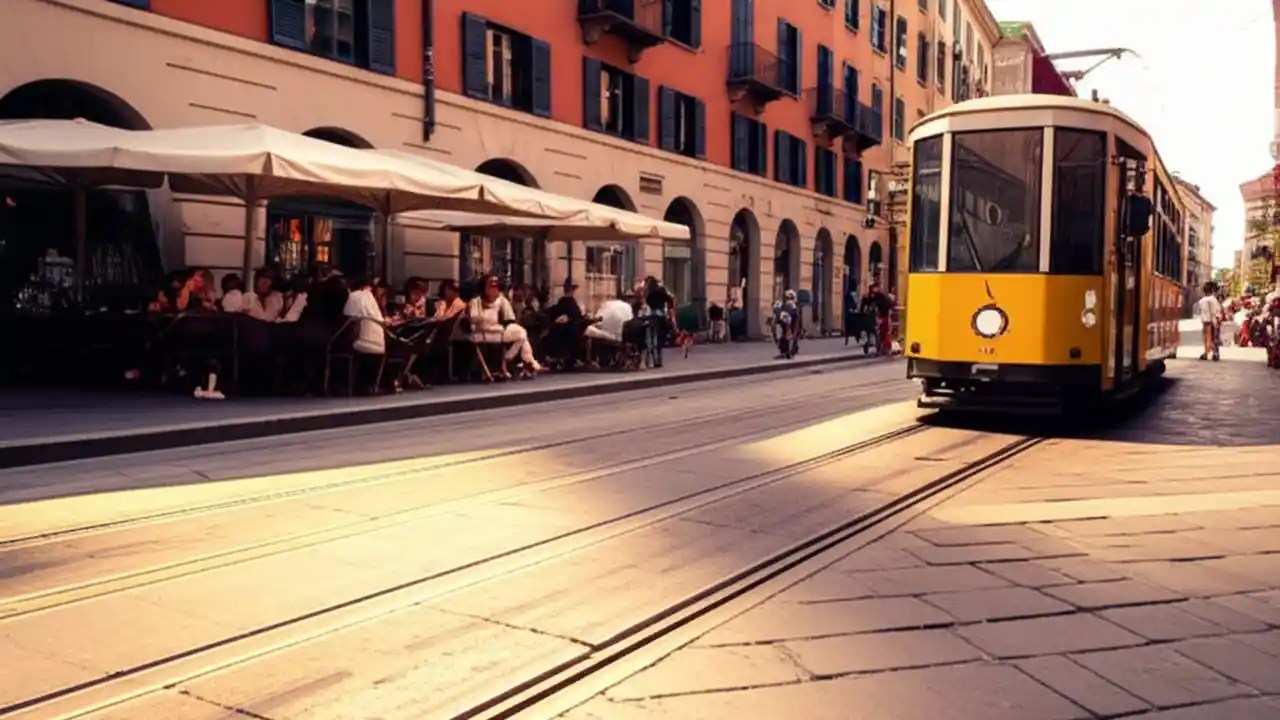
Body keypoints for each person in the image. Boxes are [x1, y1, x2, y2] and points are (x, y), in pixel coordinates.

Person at [467, 274, 543, 378]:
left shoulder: (501, 299)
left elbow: (509, 317)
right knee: (522, 335)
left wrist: (504, 323)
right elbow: (474, 318)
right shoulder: (476, 301)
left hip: (499, 330)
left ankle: (512, 359)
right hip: (482, 333)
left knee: (522, 333)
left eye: (495, 284)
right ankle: (526, 363)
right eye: (490, 284)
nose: (494, 286)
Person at [641, 276, 676, 368]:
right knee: (660, 340)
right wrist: (670, 311)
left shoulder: (649, 293)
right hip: (661, 315)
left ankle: (650, 360)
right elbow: (670, 299)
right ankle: (658, 360)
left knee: (651, 338)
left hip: (651, 315)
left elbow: (645, 302)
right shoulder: (661, 291)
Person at [1194, 282, 1223, 361]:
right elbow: (1217, 311)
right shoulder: (1214, 300)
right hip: (1213, 320)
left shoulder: (1201, 301)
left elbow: (1200, 311)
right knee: (1214, 337)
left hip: (1205, 320)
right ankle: (1214, 353)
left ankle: (1206, 352)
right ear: (1212, 290)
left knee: (1206, 337)